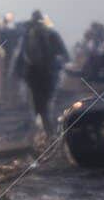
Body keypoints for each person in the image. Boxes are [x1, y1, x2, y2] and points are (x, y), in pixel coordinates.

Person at [15, 9, 68, 139]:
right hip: (49, 74)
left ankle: (45, 132)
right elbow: (64, 54)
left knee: (38, 104)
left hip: (33, 74)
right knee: (47, 104)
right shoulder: (51, 33)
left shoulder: (29, 34)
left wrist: (19, 73)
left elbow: (21, 55)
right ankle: (51, 132)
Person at [0, 12, 22, 110]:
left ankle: (9, 102)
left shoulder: (5, 31)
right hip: (11, 57)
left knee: (9, 80)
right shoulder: (15, 30)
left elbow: (1, 42)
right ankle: (11, 102)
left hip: (9, 58)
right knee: (10, 80)